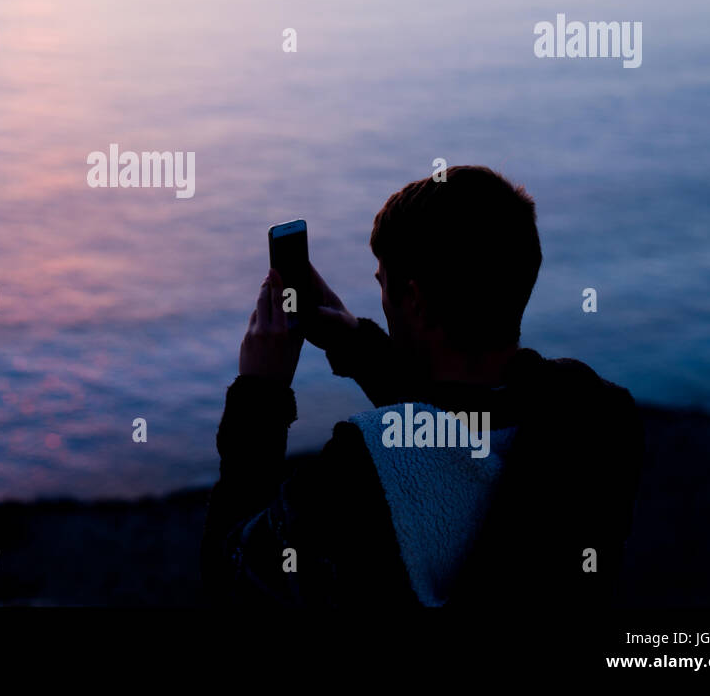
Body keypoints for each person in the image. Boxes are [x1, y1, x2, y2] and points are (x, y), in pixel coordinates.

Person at [201, 166, 643, 606]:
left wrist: (260, 394)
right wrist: (353, 343)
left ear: (413, 298)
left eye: (384, 285)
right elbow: (469, 418)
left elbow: (233, 573)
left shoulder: (365, 465)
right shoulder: (597, 413)